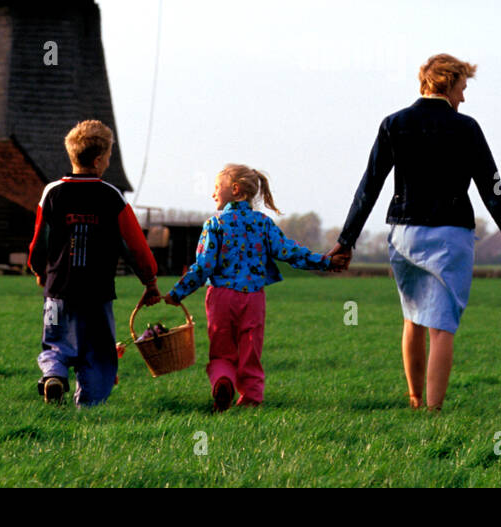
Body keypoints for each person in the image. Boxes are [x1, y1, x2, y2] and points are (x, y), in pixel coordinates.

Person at [329, 53, 501, 412]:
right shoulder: (467, 129)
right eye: (462, 88)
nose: (463, 98)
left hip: (404, 235)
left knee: (413, 318)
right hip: (450, 236)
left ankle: (416, 400)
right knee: (442, 327)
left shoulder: (394, 124)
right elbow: (493, 191)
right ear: (448, 83)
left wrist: (346, 241)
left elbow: (369, 187)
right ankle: (434, 409)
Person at [163, 164, 331, 411]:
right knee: (250, 350)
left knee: (221, 351)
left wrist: (177, 294)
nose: (213, 193)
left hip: (220, 298)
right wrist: (325, 261)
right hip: (253, 299)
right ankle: (251, 399)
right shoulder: (263, 223)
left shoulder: (215, 223)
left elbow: (204, 266)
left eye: (216, 187)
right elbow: (289, 251)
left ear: (235, 189)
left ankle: (223, 381)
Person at [27, 120, 160, 406]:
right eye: (110, 157)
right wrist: (149, 280)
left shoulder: (52, 192)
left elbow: (40, 240)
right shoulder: (111, 197)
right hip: (96, 295)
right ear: (99, 160)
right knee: (98, 354)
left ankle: (53, 375)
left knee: (54, 343)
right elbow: (134, 245)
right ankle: (88, 406)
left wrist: (39, 270)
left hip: (57, 292)